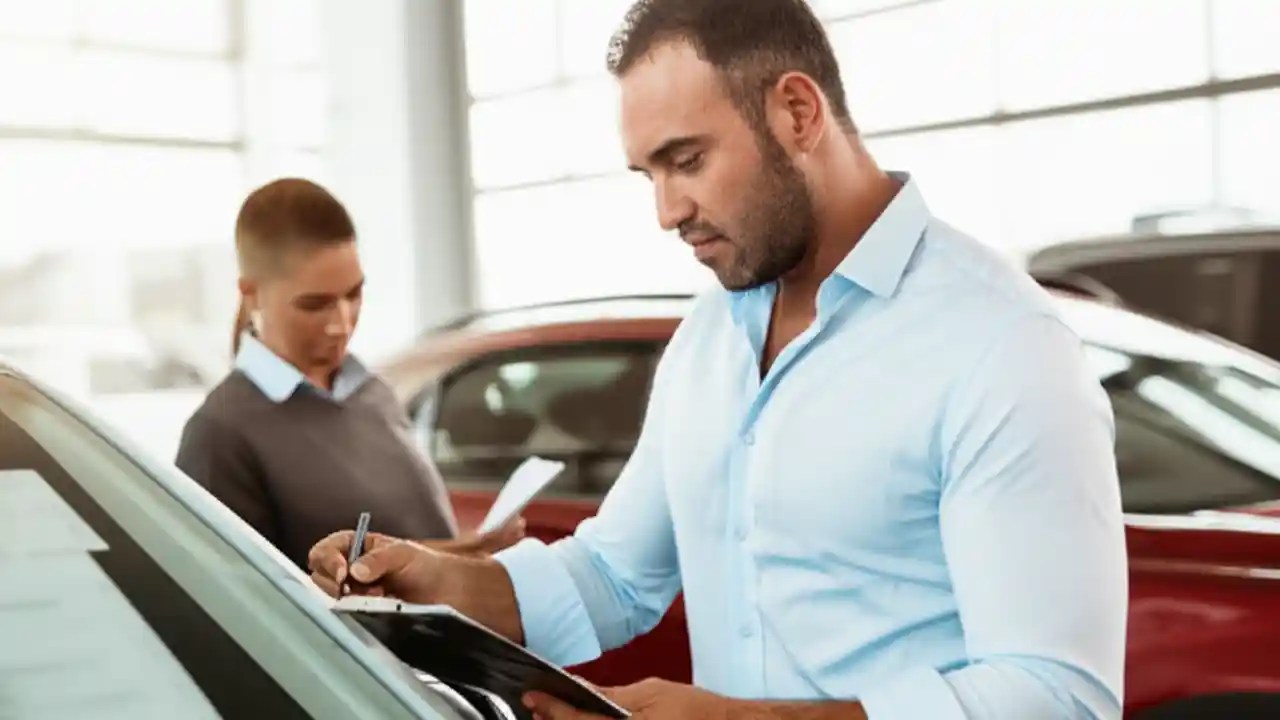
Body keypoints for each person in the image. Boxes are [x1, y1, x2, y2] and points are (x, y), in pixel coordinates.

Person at [309, 1, 1127, 717]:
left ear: (798, 113)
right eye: (648, 174)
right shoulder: (709, 339)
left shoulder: (1002, 346)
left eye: (687, 160)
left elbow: (1057, 697)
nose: (667, 211)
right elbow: (613, 579)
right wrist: (430, 584)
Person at [176, 178, 522, 572]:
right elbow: (243, 600)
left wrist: (469, 549)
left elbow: (403, 548)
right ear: (251, 293)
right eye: (315, 305)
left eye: (353, 295)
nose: (342, 324)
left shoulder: (372, 393)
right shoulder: (220, 433)